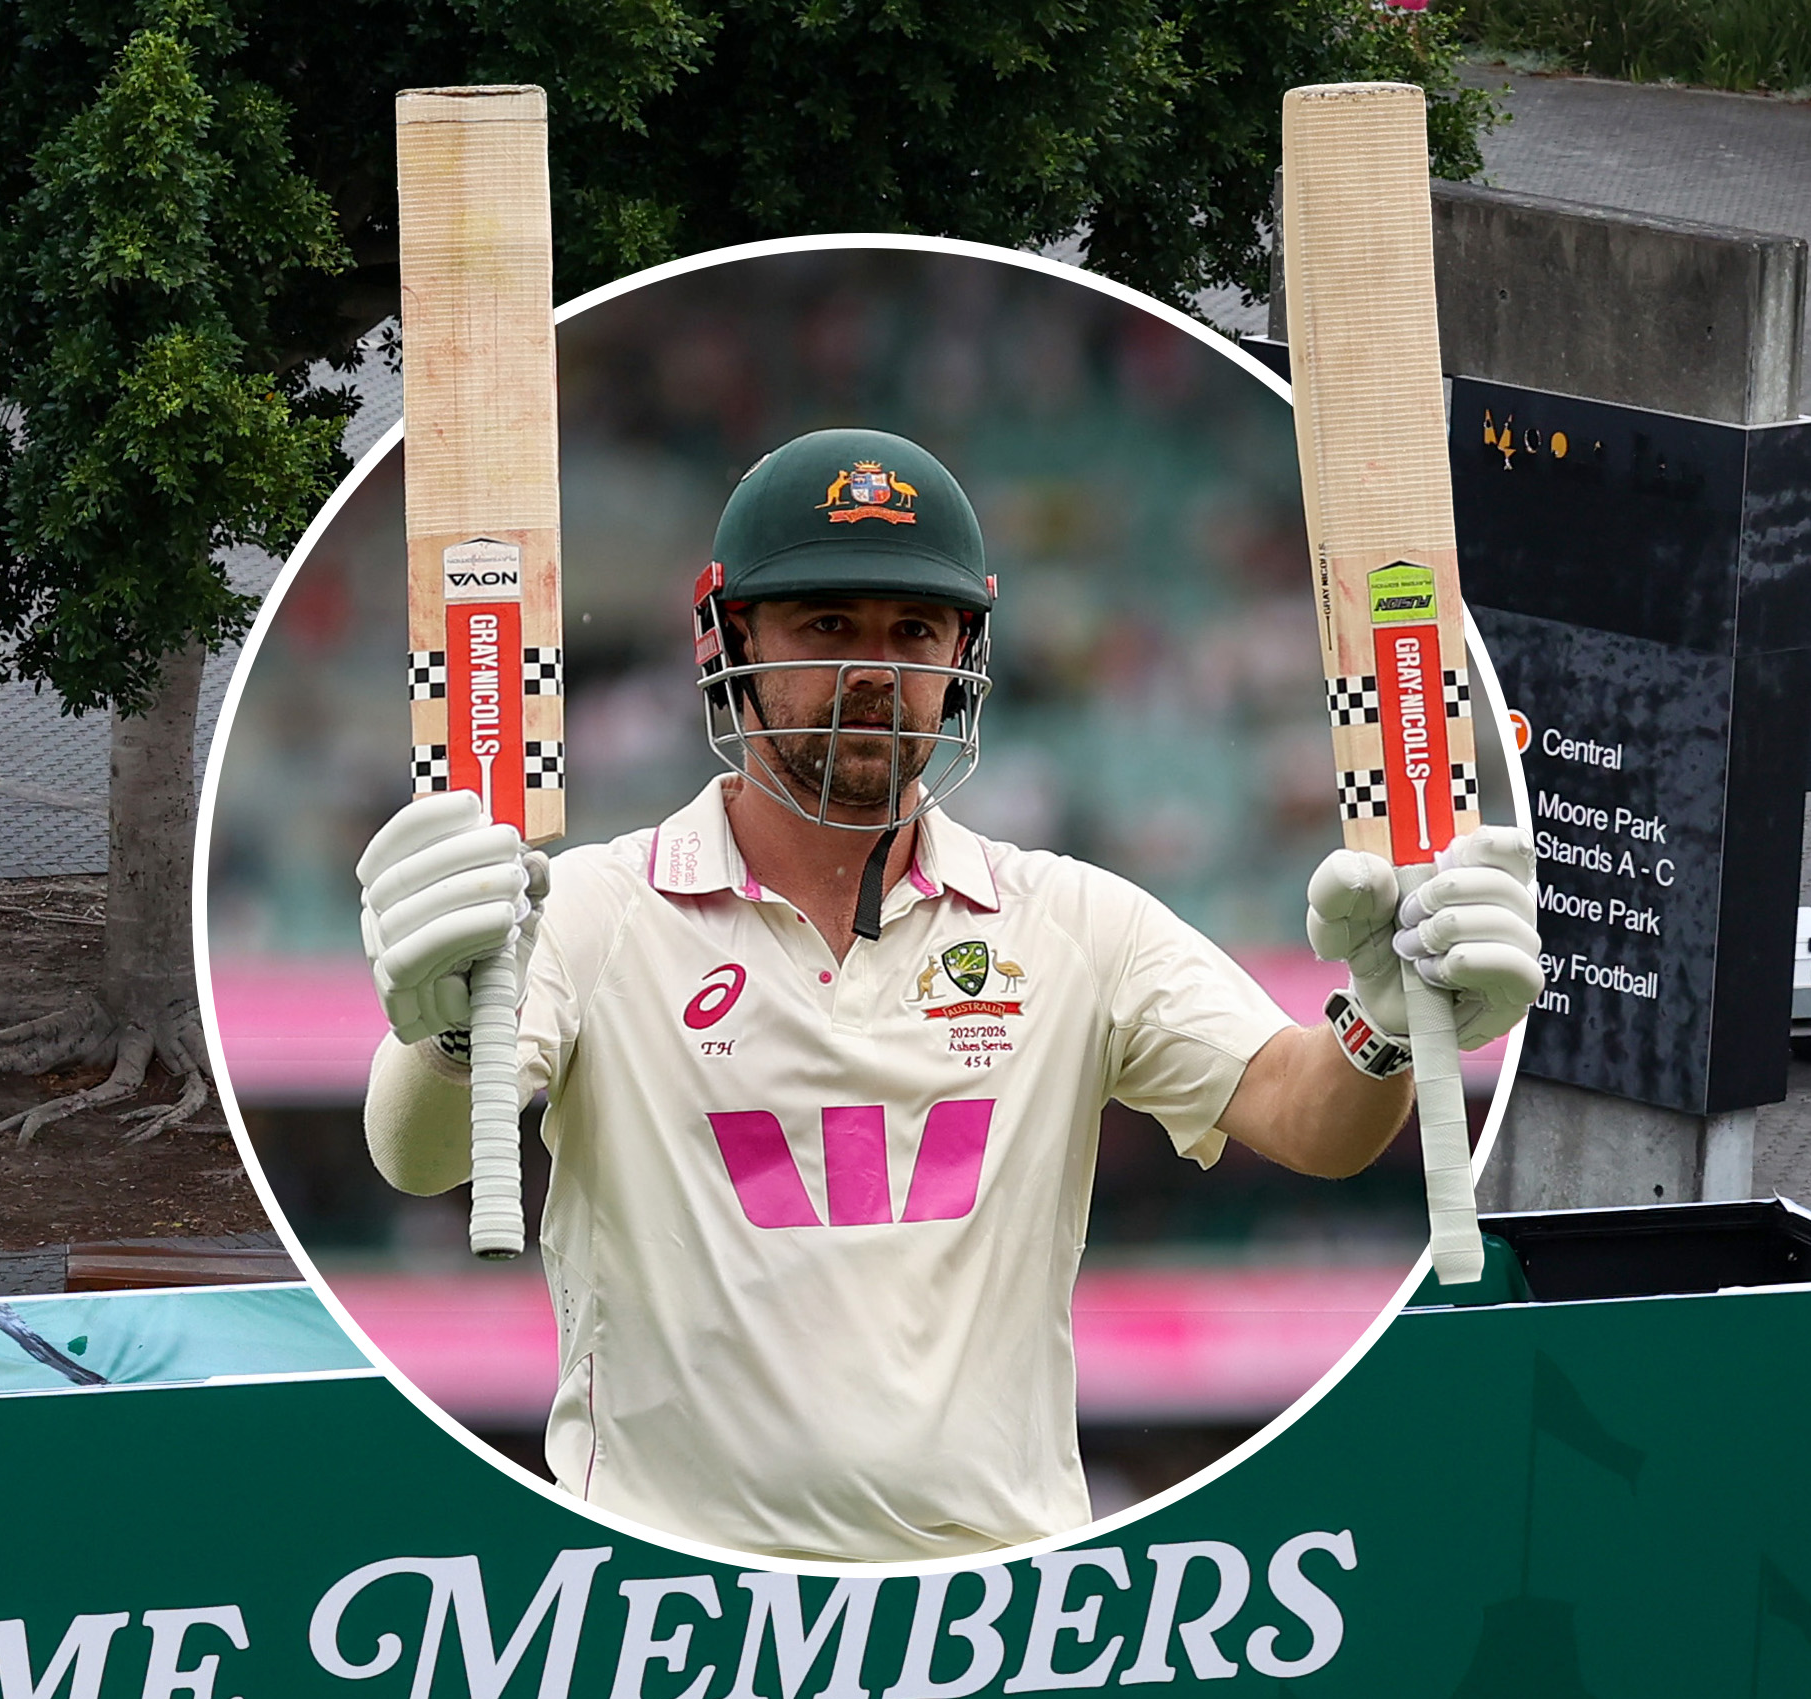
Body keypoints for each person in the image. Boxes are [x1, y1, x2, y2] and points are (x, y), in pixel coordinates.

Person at [351, 424, 1549, 1559]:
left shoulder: (1071, 920)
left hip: (1000, 1603)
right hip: (674, 1590)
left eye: (915, 630)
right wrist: (449, 1025)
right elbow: (417, 1159)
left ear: (964, 656)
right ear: (723, 640)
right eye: (826, 622)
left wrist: (1385, 1028)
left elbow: (1308, 1118)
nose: (874, 667)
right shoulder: (597, 912)